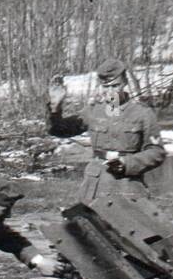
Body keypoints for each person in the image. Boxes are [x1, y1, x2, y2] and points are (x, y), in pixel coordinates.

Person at [47, 60, 166, 203]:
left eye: (116, 86)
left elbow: (156, 152)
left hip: (127, 186)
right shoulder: (93, 111)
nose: (111, 92)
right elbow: (59, 130)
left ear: (125, 83)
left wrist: (127, 163)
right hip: (94, 187)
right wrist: (55, 106)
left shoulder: (142, 113)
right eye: (106, 87)